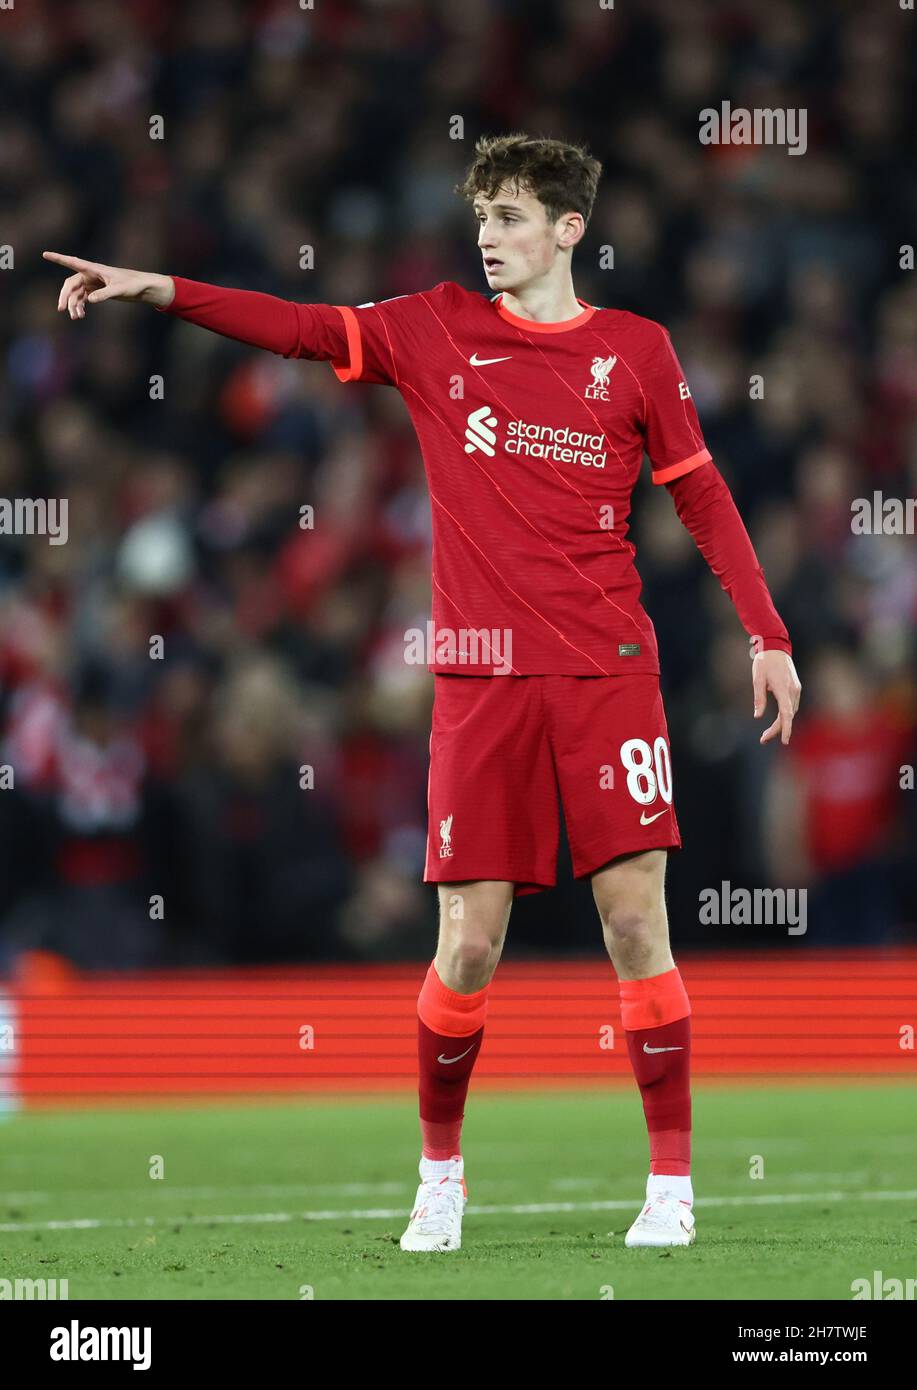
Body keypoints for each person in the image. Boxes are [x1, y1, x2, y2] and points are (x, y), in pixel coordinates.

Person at [44, 131, 802, 1252]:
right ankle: (439, 1173)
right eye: (480, 217)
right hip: (481, 676)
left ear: (566, 231)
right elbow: (300, 327)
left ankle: (672, 1181)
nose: (486, 237)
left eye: (507, 218)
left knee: (635, 921)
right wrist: (157, 287)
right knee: (468, 943)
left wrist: (765, 631)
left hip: (606, 671)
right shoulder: (434, 326)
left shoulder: (636, 350)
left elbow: (699, 495)